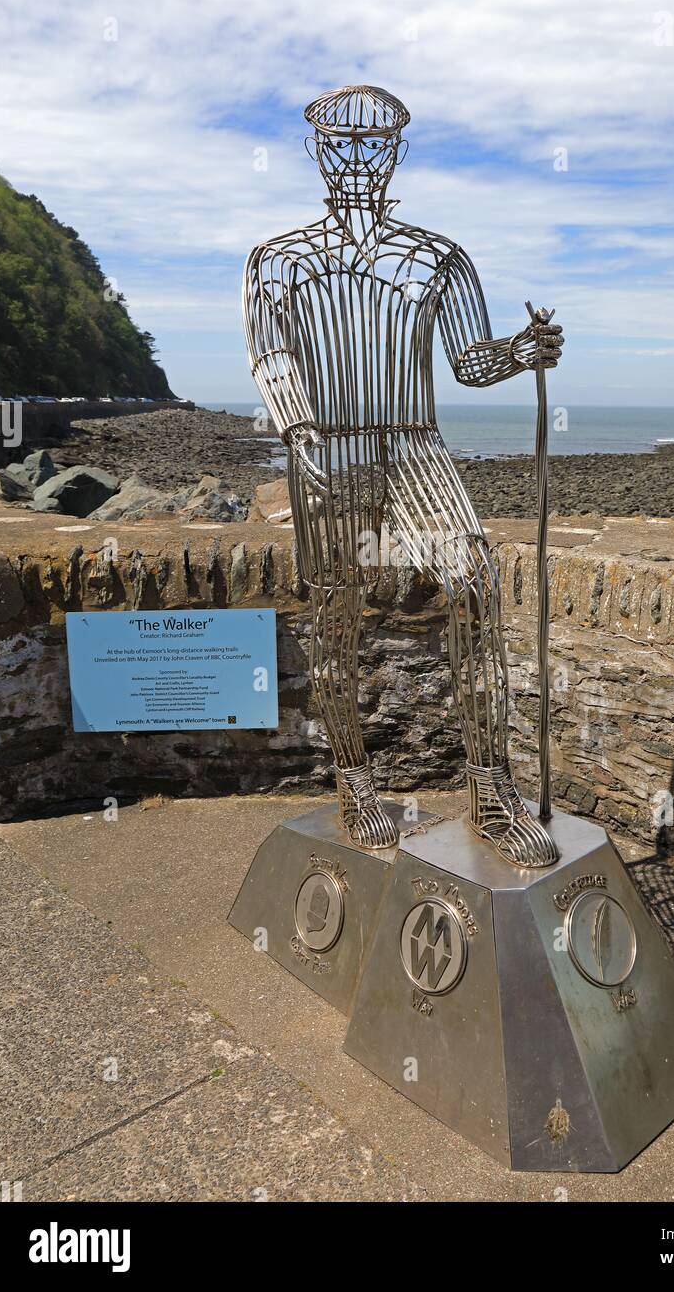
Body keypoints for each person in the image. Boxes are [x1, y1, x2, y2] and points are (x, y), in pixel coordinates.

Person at [243, 85, 562, 865]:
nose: (357, 158)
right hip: (326, 446)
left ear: (396, 152)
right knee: (336, 615)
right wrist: (296, 421)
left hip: (415, 444)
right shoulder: (277, 260)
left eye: (374, 144)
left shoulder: (437, 259)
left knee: (476, 585)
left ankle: (490, 788)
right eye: (342, 144)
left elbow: (468, 361)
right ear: (320, 150)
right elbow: (270, 354)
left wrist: (523, 352)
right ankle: (353, 777)